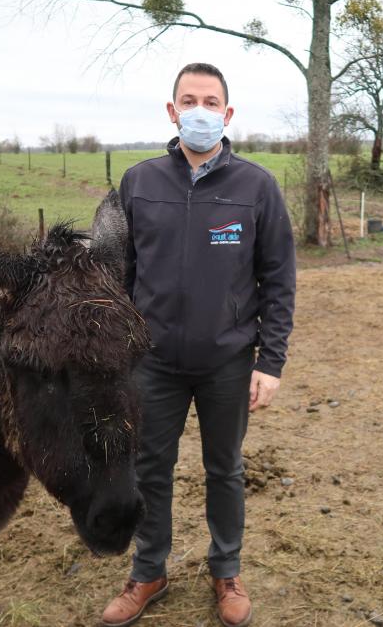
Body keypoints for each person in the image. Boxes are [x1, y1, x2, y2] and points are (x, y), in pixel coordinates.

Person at [101, 62, 296, 627]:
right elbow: (119, 276)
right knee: (147, 468)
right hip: (152, 363)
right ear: (172, 111)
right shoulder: (139, 182)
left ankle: (226, 571)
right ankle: (148, 571)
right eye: (189, 100)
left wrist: (271, 360)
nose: (200, 111)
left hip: (228, 363)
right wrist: (119, 353)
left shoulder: (256, 187)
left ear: (227, 114)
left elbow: (278, 278)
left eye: (211, 101)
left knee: (225, 469)